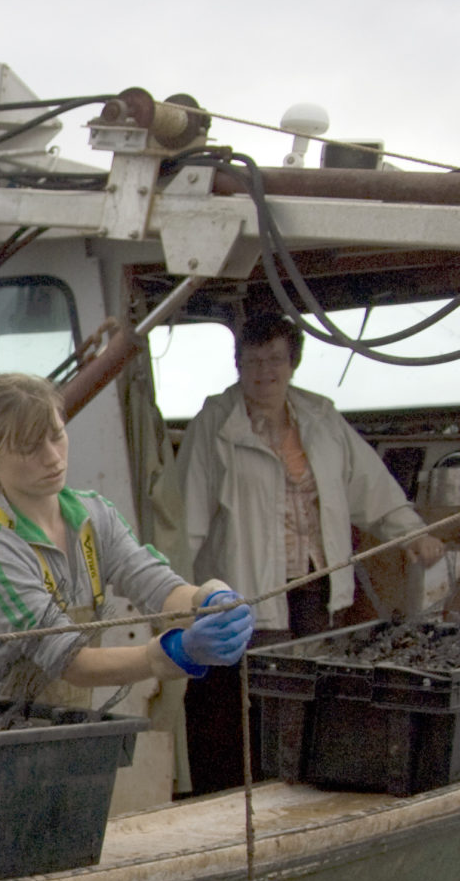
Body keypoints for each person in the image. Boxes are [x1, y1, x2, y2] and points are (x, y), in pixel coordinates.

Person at [177, 305, 440, 790]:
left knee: (313, 690)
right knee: (255, 698)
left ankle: (304, 788)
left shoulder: (320, 417)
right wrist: (175, 593)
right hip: (249, 589)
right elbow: (186, 515)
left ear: (292, 362)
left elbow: (370, 486)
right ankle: (250, 793)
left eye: (275, 359)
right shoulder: (216, 423)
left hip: (316, 584)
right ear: (238, 364)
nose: (264, 372)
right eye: (253, 360)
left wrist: (412, 533)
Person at [0, 373, 254, 702]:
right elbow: (69, 660)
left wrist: (207, 602)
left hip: (59, 722)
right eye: (29, 447)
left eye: (56, 435)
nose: (53, 457)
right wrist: (168, 654)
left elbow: (155, 584)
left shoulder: (93, 517)